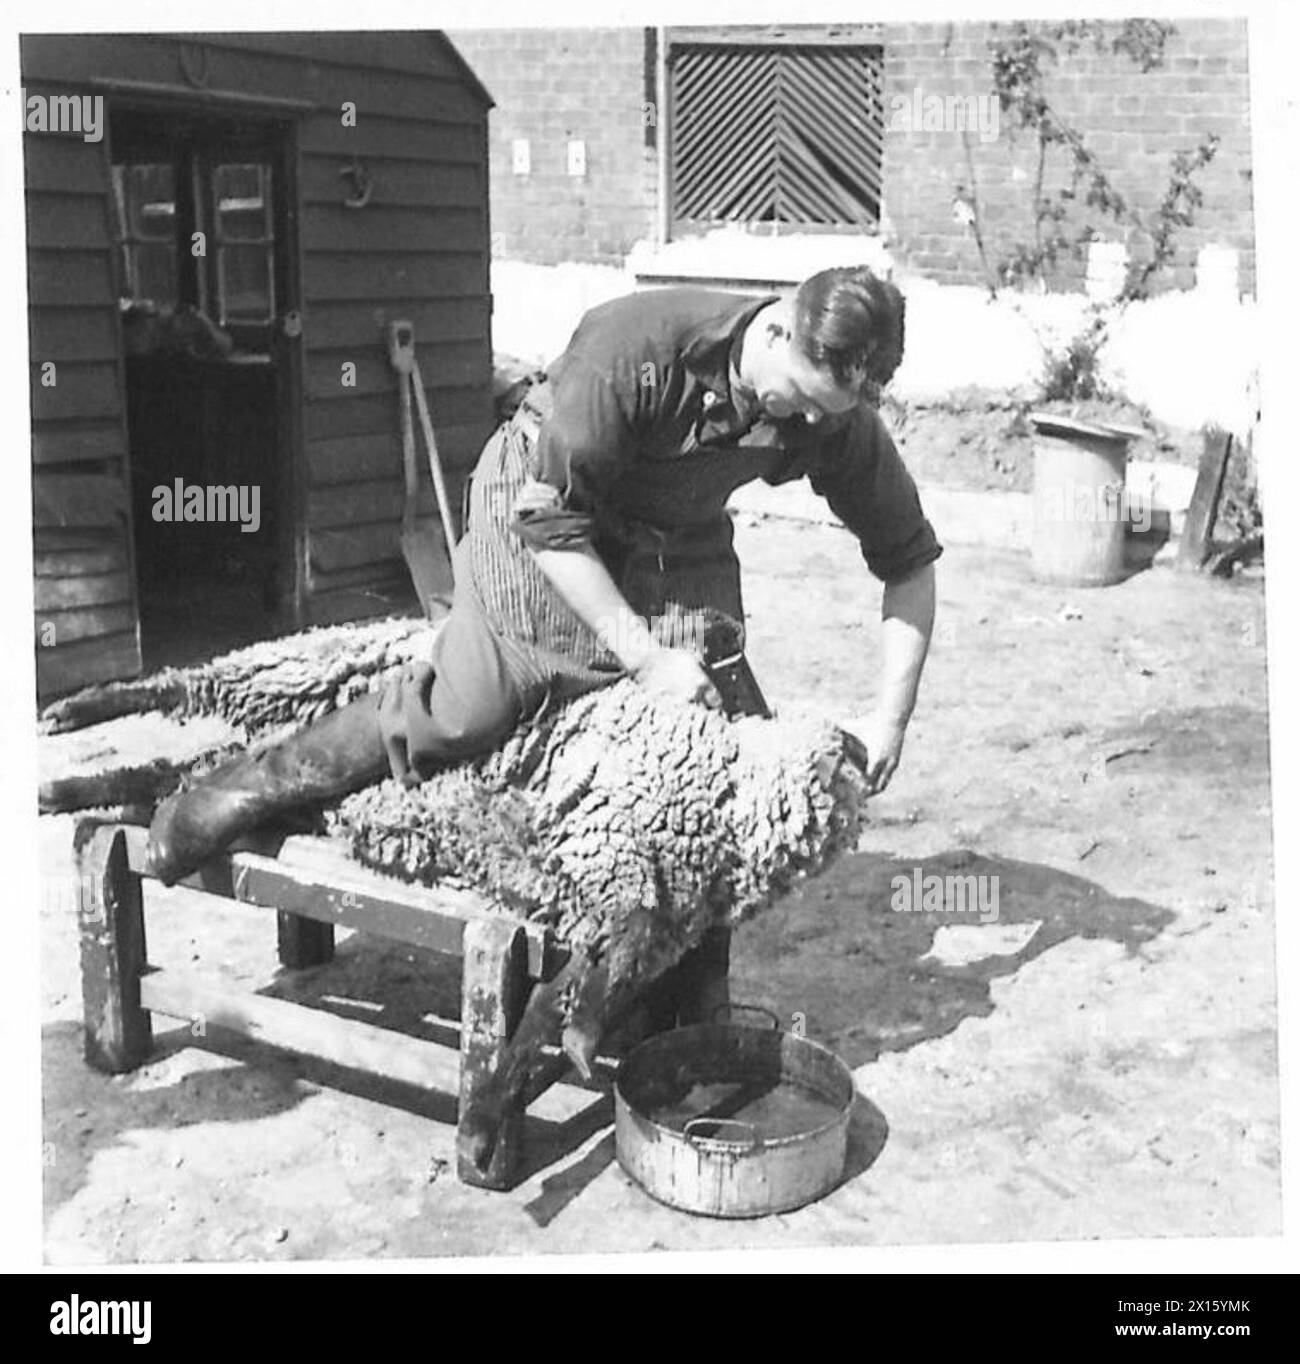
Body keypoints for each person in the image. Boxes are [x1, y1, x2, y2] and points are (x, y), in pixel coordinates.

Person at [144, 266, 941, 885]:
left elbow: (908, 560)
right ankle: (232, 794)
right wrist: (644, 653)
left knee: (723, 731)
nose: (806, 425)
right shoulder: (630, 349)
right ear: (775, 332)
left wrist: (889, 722)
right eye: (798, 401)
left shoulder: (831, 413)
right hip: (540, 502)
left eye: (823, 415)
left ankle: (684, 979)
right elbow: (553, 522)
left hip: (675, 526)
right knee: (473, 706)